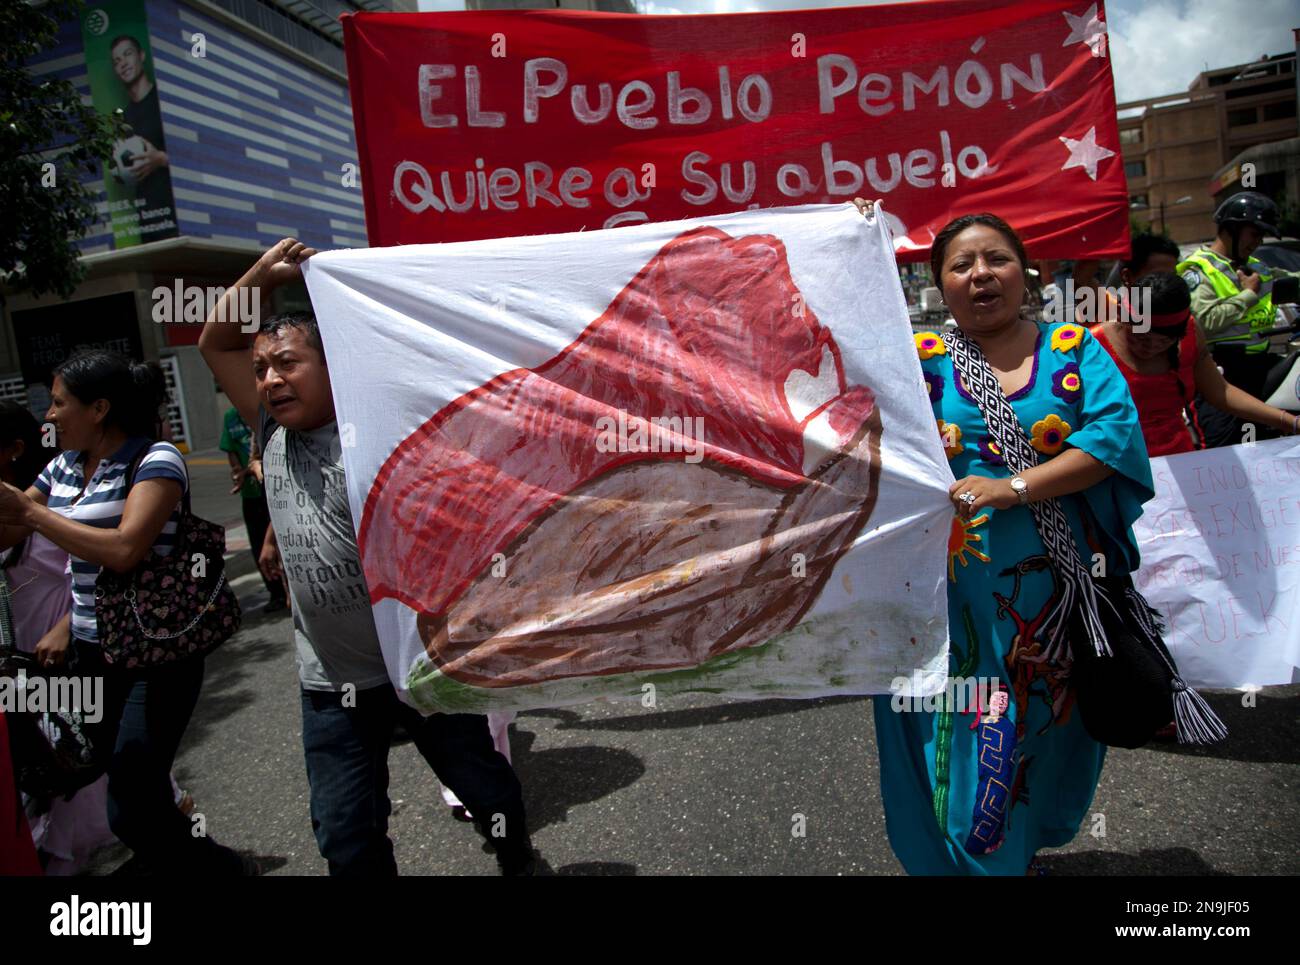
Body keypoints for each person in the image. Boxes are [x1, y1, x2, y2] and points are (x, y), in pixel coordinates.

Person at [198, 239, 535, 876]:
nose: (270, 380)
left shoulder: (381, 429)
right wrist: (260, 277)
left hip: (417, 668)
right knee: (345, 833)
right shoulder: (270, 433)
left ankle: (516, 852)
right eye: (263, 367)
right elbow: (214, 344)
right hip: (331, 684)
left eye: (288, 363)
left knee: (485, 789)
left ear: (336, 366)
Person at [856, 201, 1154, 875]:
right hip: (945, 604)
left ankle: (1006, 856)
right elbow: (861, 429)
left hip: (1049, 605)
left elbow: (1110, 440)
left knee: (1034, 742)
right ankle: (977, 860)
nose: (980, 274)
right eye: (961, 264)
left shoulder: (1077, 353)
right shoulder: (919, 363)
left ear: (1029, 273)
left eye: (996, 258)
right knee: (965, 740)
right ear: (941, 284)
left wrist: (1010, 488)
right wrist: (853, 243)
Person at [0, 353, 253, 875]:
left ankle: (223, 869)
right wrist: (22, 513)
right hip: (92, 653)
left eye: (58, 402)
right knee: (101, 776)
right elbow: (12, 531)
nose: (48, 415)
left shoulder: (155, 459)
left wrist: (31, 513)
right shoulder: (62, 466)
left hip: (155, 652)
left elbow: (123, 549)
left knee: (130, 803)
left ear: (98, 408)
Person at [1092, 271, 1299, 457]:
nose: (1150, 347)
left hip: (1178, 460)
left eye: (1164, 342)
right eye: (1141, 337)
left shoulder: (1191, 332)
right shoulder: (1091, 345)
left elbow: (1220, 392)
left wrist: (1289, 421)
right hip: (1113, 463)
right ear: (1122, 318)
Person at [1178, 191, 1300, 444]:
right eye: (1254, 234)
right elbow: (1204, 323)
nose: (1257, 242)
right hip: (1221, 371)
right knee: (1223, 448)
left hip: (1262, 365)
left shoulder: (1257, 267)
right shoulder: (1198, 269)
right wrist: (1248, 295)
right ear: (1230, 229)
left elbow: (1291, 280)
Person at [109, 35, 175, 243]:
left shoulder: (165, 101)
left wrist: (161, 158)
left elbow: (199, 155)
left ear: (141, 55)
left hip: (178, 215)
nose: (123, 64)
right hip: (149, 219)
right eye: (117, 61)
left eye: (127, 54)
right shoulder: (123, 118)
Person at [219, 405, 286, 612]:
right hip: (251, 493)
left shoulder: (266, 410)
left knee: (279, 542)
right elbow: (231, 450)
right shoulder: (230, 416)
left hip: (271, 491)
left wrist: (254, 470)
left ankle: (287, 590)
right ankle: (276, 592)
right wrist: (239, 472)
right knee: (260, 545)